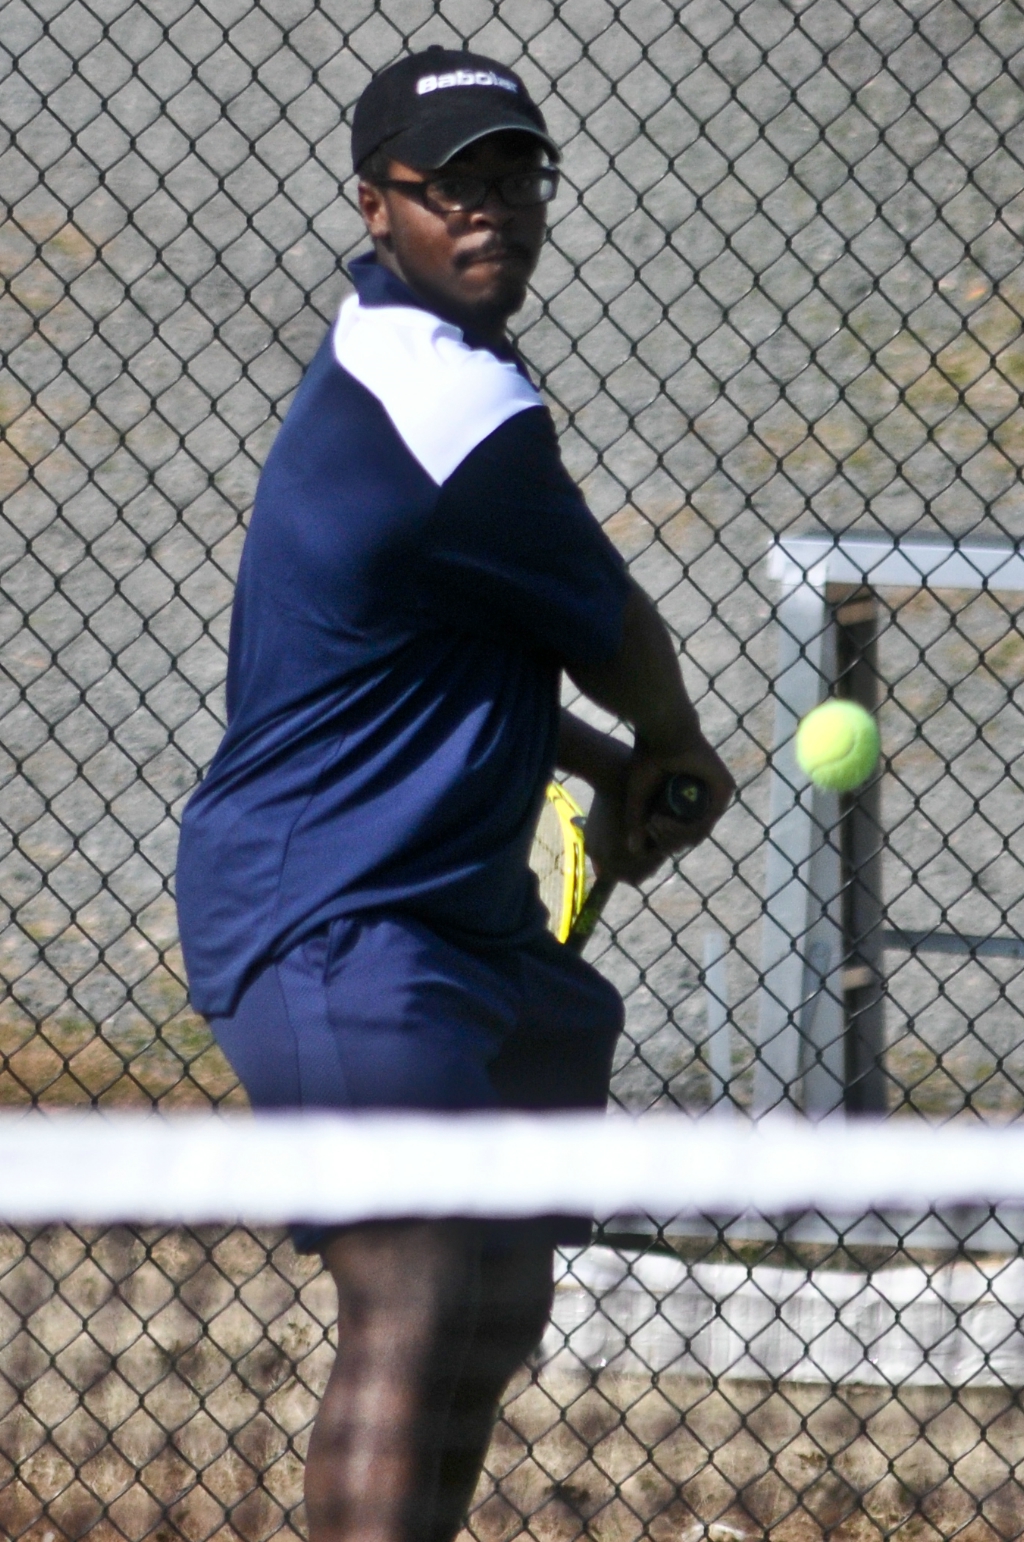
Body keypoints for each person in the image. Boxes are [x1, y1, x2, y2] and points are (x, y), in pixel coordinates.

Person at [176, 45, 734, 1542]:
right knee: (414, 1280)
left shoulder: (406, 373)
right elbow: (614, 626)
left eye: (514, 174)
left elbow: (428, 660)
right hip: (330, 912)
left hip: (459, 919)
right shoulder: (443, 402)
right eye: (451, 185)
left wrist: (610, 771)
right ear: (378, 209)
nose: (491, 209)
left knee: (496, 1297)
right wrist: (675, 744)